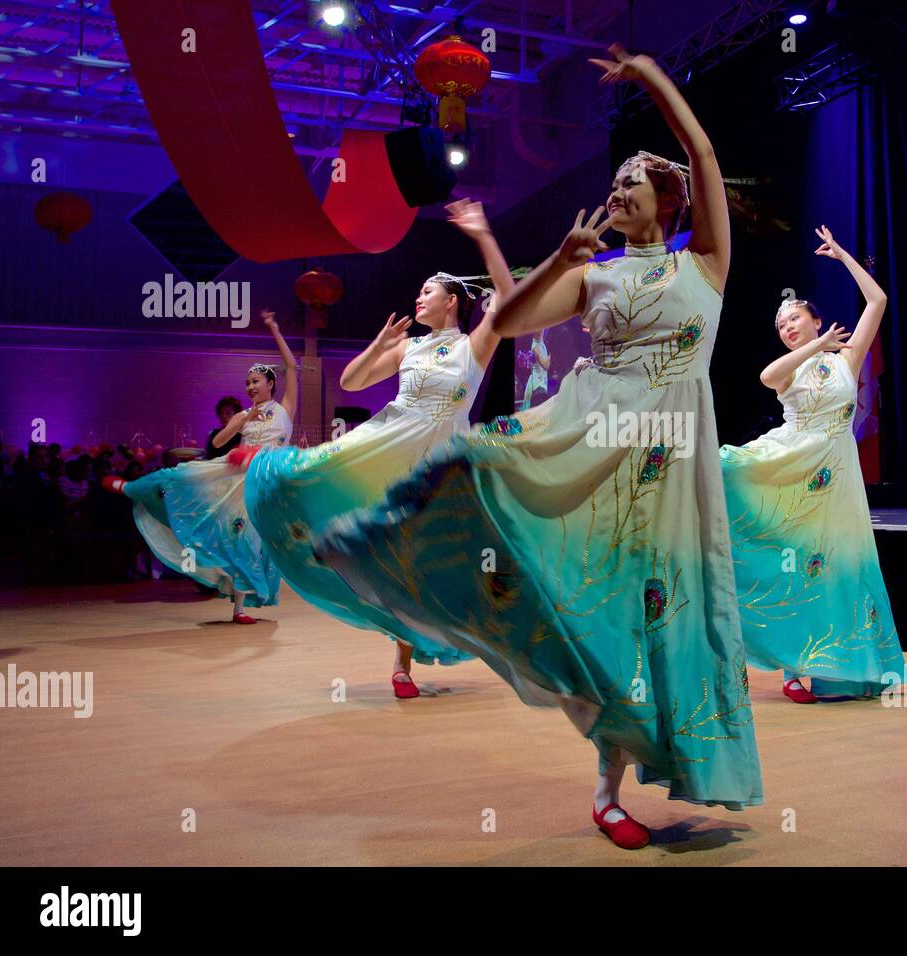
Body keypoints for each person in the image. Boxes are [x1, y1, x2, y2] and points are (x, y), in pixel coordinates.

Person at [313, 44, 763, 850]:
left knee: (659, 615)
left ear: (667, 198)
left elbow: (704, 151)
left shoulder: (707, 262)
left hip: (672, 459)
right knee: (478, 470)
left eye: (632, 182)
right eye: (613, 181)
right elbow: (511, 322)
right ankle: (385, 536)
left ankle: (616, 786)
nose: (616, 191)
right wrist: (560, 260)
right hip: (592, 433)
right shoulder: (597, 273)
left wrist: (653, 80)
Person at [245, 199, 514, 697]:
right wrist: (377, 343)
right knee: (317, 488)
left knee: (423, 560)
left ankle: (409, 658)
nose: (418, 298)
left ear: (452, 300)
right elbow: (350, 381)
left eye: (426, 291)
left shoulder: (473, 345)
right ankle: (397, 656)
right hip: (388, 444)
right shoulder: (407, 345)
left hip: (440, 462)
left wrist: (481, 234)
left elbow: (508, 295)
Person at [720, 226, 905, 702]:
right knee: (789, 559)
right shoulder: (792, 367)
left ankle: (834, 666)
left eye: (794, 319)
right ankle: (789, 666)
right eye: (781, 325)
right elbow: (766, 376)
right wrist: (814, 347)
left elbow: (878, 301)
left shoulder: (847, 358)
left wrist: (844, 257)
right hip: (794, 464)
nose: (786, 327)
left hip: (837, 473)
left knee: (834, 568)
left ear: (816, 319)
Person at [104, 311, 298, 622]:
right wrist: (243, 420)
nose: (250, 387)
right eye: (247, 383)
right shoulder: (242, 415)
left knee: (254, 543)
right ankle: (132, 487)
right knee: (184, 477)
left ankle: (240, 607)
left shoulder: (285, 408)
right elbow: (220, 442)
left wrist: (274, 328)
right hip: (240, 480)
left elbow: (291, 366)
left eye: (256, 381)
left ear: (270, 383)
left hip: (268, 483)